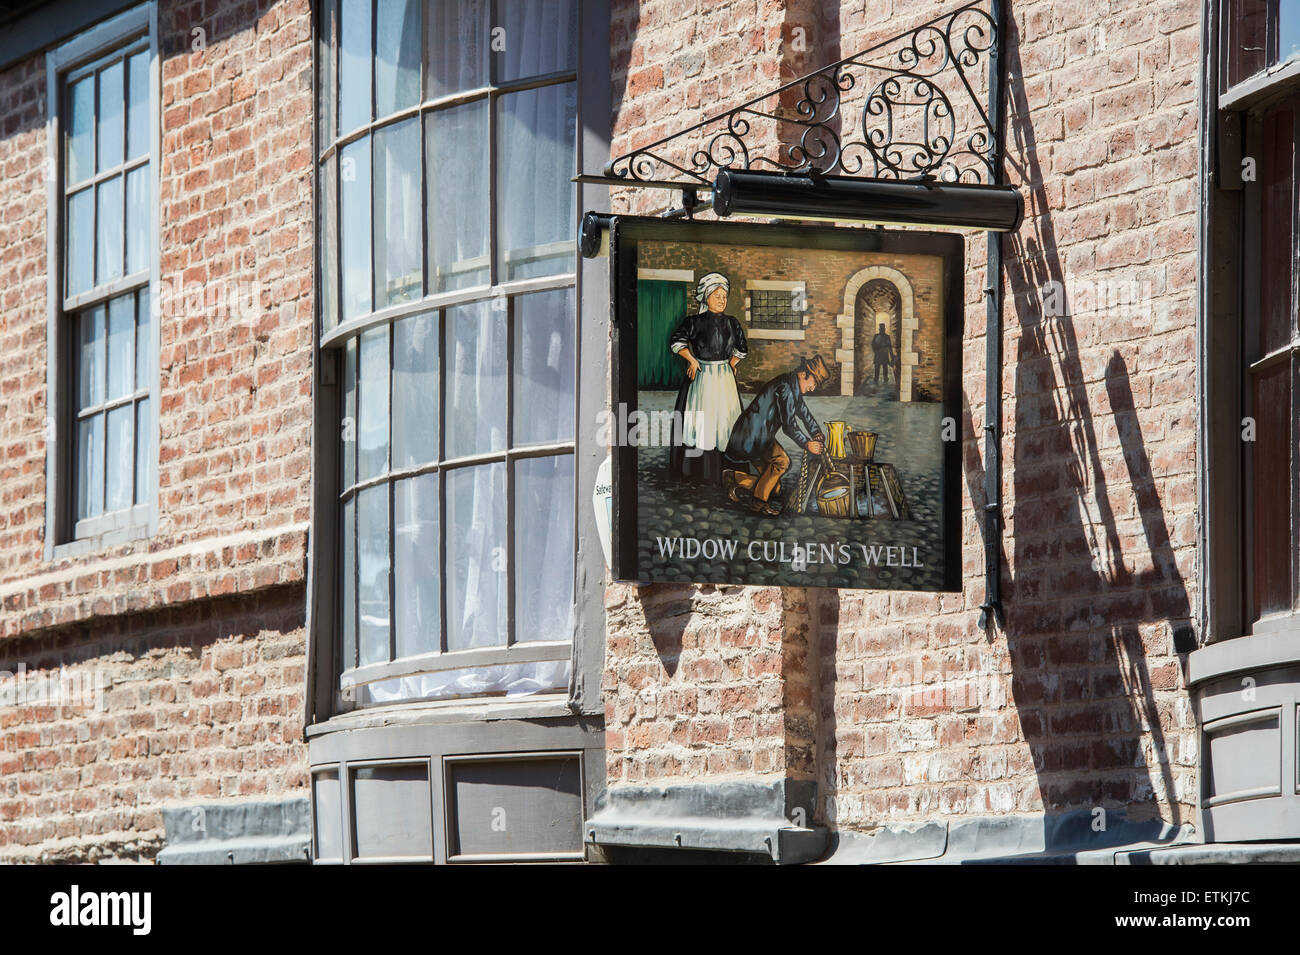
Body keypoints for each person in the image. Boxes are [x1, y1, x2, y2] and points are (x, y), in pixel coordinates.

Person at [666, 272, 747, 485]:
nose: (722, 300)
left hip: (724, 379)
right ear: (706, 297)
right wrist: (692, 361)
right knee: (703, 421)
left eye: (724, 296)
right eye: (717, 295)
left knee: (725, 421)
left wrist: (731, 365)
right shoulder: (694, 322)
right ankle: (699, 472)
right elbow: (677, 342)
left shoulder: (732, 323)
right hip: (703, 378)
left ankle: (728, 470)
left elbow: (741, 348)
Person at [723, 355, 830, 515]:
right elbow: (789, 425)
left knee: (776, 489)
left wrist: (815, 431)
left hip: (760, 437)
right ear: (803, 374)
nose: (813, 388)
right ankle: (758, 504)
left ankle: (734, 478)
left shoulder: (792, 385)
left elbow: (803, 411)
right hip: (752, 437)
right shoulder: (786, 388)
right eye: (813, 383)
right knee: (782, 462)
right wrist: (807, 444)